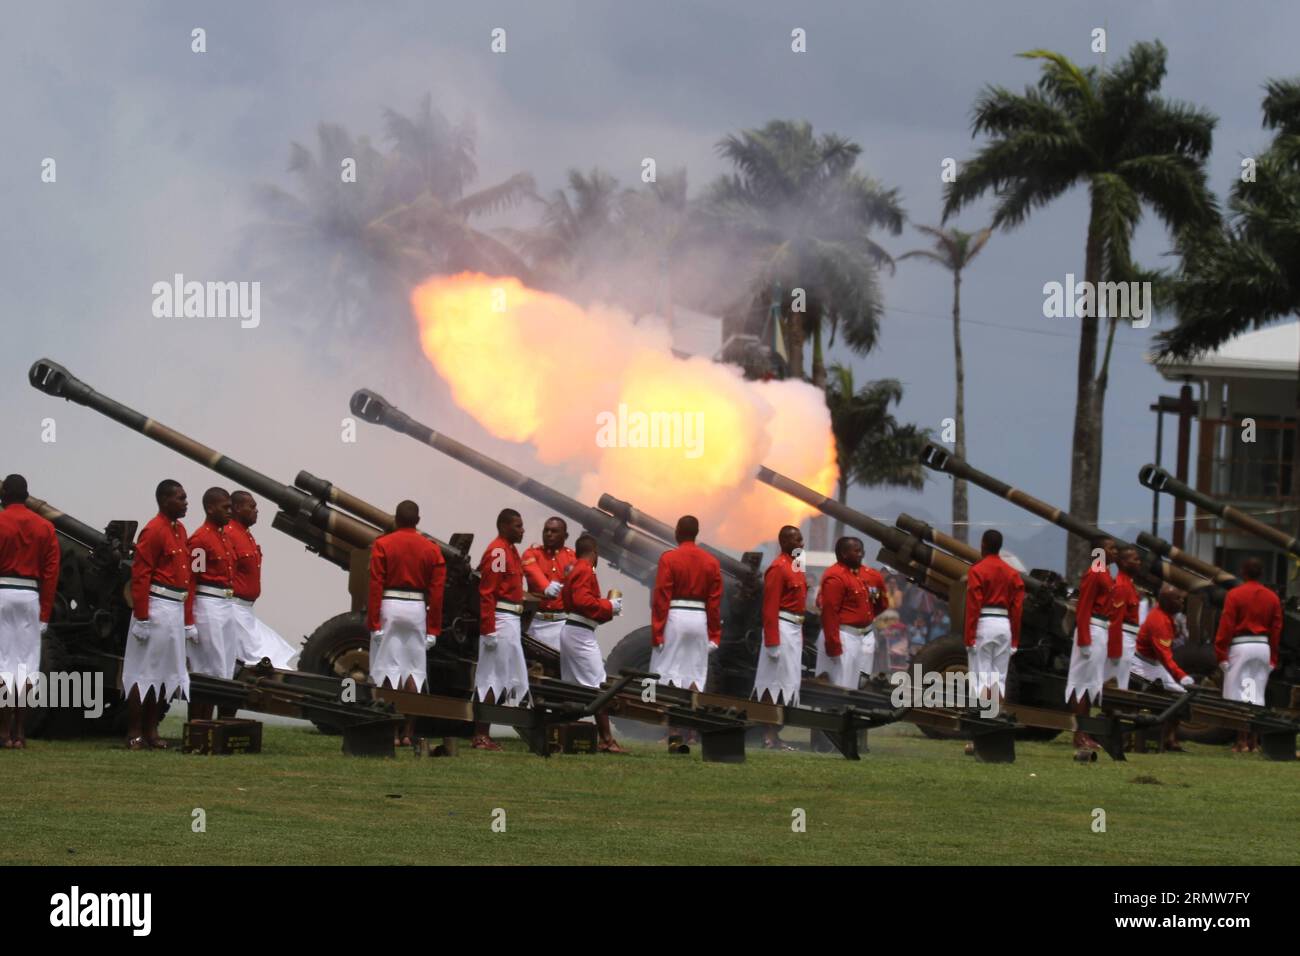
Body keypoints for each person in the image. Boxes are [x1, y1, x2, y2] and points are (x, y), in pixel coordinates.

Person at [125, 479, 196, 750]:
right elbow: (141, 574)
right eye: (180, 498)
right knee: (142, 672)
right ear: (164, 500)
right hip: (156, 606)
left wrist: (187, 619)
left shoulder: (180, 530)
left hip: (174, 608)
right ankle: (134, 732)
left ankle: (152, 729)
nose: (185, 502)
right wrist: (142, 616)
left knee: (164, 673)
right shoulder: (154, 530)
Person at [368, 500, 445, 747]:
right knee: (414, 671)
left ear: (396, 519)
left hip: (390, 604)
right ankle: (408, 733)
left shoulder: (382, 544)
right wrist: (433, 629)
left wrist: (374, 622)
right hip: (416, 609)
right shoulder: (431, 548)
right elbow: (437, 591)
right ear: (418, 520)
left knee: (388, 670)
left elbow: (375, 585)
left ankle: (390, 731)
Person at [0, 475, 60, 749]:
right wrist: (45, 613)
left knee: (2, 665)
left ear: (4, 494)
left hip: (2, 592)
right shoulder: (45, 527)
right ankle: (19, 733)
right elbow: (51, 573)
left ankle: (2, 732)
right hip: (29, 596)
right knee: (25, 668)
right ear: (26, 495)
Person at [560, 533, 626, 753]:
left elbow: (577, 603)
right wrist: (608, 605)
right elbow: (582, 601)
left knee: (573, 687)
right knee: (599, 685)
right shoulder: (586, 569)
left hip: (575, 629)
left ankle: (564, 733)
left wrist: (606, 608)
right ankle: (607, 740)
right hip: (580, 634)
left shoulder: (574, 568)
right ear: (594, 552)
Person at [962, 529, 1025, 751]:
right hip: (1004, 625)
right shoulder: (1012, 573)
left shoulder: (977, 570)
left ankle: (981, 729)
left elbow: (973, 606)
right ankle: (997, 725)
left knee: (980, 678)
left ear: (983, 544)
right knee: (999, 678)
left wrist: (969, 636)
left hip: (984, 624)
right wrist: (1015, 638)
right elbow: (1017, 609)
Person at [473, 508, 529, 750]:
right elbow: (488, 592)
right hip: (502, 619)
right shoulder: (499, 551)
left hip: (510, 619)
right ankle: (480, 735)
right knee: (492, 678)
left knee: (504, 676)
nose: (522, 530)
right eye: (517, 526)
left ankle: (486, 732)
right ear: (504, 526)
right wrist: (489, 629)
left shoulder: (510, 551)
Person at [1215, 557, 1283, 752]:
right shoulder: (1272, 597)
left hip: (1241, 646)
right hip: (1263, 647)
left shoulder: (1235, 595)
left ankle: (1241, 741)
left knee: (1237, 695)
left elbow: (1226, 625)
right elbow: (1277, 629)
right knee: (1255, 694)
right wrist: (1273, 657)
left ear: (1243, 572)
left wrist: (1220, 652)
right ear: (1261, 573)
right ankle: (1254, 742)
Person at [650, 515, 722, 693]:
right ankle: (691, 711)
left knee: (663, 669)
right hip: (699, 620)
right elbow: (714, 603)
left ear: (678, 532)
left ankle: (655, 708)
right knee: (694, 672)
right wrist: (714, 635)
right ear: (696, 533)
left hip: (676, 618)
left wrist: (657, 633)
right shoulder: (711, 562)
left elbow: (661, 597)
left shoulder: (668, 558)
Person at [225, 490, 297, 669]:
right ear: (237, 508)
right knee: (263, 660)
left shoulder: (245, 534)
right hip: (233, 608)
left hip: (246, 610)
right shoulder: (229, 534)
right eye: (252, 506)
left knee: (275, 651)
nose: (256, 510)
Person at [186, 487, 239, 722]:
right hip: (207, 604)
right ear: (210, 508)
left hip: (226, 603)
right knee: (206, 669)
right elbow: (191, 581)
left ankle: (215, 726)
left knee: (225, 667)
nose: (230, 511)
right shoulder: (200, 539)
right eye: (225, 507)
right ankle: (198, 725)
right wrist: (189, 620)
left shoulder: (224, 537)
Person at [751, 525, 807, 750]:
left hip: (794, 630)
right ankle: (767, 735)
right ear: (784, 543)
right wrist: (772, 641)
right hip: (782, 629)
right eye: (796, 540)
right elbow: (770, 608)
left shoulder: (796, 565)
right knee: (772, 684)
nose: (801, 544)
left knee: (788, 683)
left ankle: (775, 733)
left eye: (801, 539)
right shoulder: (778, 567)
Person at [816, 536, 887, 689]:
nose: (861, 554)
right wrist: (833, 645)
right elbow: (829, 613)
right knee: (840, 684)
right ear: (843, 554)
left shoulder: (872, 575)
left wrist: (863, 618)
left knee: (861, 684)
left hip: (866, 637)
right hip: (844, 636)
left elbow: (882, 603)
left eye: (862, 550)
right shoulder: (835, 576)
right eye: (856, 551)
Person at [1067, 535, 1117, 750]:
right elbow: (1084, 606)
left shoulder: (1104, 572)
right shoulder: (1096, 572)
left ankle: (1084, 732)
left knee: (1090, 684)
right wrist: (1085, 640)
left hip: (1101, 629)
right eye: (1111, 548)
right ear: (1099, 551)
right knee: (1081, 684)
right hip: (1092, 629)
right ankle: (1080, 735)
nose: (1115, 551)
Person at [1132, 585, 1196, 751]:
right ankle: (1137, 738)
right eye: (1177, 599)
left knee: (1182, 695)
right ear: (1165, 601)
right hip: (1142, 664)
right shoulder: (1159, 621)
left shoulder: (1166, 615)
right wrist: (1181, 675)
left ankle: (1170, 738)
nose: (1182, 602)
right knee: (1162, 696)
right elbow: (1164, 655)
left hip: (1155, 664)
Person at [522, 517, 575, 653]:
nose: (549, 534)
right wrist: (546, 587)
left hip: (560, 624)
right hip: (532, 622)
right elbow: (532, 570)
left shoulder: (573, 559)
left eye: (554, 531)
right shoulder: (532, 553)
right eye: (546, 530)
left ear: (565, 536)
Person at [1105, 546, 1142, 690]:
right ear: (1124, 562)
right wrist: (1114, 651)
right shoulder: (1121, 586)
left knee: (1122, 683)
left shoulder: (1128, 584)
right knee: (1117, 686)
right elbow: (1115, 620)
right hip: (1122, 638)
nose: (1139, 562)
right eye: (1135, 559)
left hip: (1128, 638)